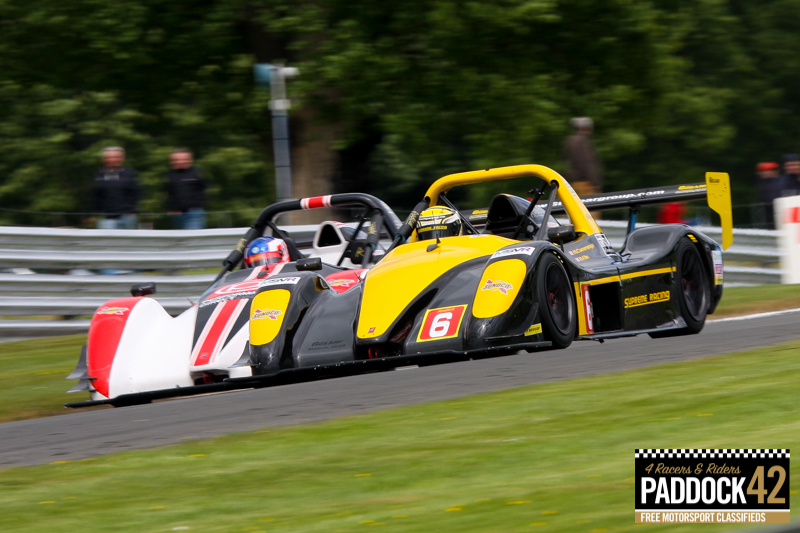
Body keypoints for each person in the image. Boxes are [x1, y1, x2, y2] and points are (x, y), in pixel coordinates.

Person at [93, 147, 141, 229]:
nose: (112, 160)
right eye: (109, 157)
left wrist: (134, 210)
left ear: (122, 158)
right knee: (106, 241)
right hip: (106, 218)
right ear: (103, 159)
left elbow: (138, 193)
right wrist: (93, 213)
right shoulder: (98, 176)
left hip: (128, 216)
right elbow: (94, 196)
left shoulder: (130, 174)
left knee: (129, 241)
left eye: (116, 157)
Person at [166, 148, 207, 229]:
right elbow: (169, 194)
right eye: (176, 160)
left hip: (194, 213)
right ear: (171, 161)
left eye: (184, 159)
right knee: (179, 240)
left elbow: (206, 192)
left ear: (190, 160)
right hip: (176, 215)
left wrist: (197, 205)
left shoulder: (198, 173)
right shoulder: (169, 175)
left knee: (193, 238)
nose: (180, 162)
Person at [562, 117, 603, 197]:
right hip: (586, 184)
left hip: (574, 183)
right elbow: (587, 163)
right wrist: (594, 182)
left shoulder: (570, 141)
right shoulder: (583, 142)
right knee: (590, 208)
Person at [755, 161, 782, 228]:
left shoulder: (782, 182)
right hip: (765, 211)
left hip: (779, 209)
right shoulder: (760, 183)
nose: (766, 173)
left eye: (769, 170)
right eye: (763, 171)